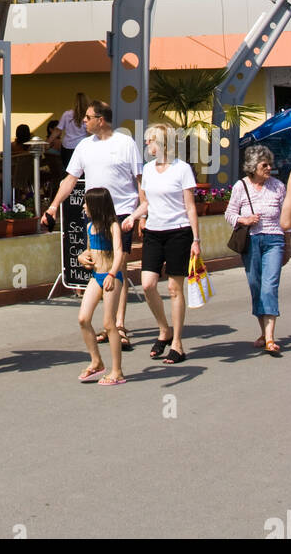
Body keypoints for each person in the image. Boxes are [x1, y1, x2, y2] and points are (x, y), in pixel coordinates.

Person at [41, 101, 141, 349]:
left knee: (119, 266)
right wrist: (53, 206)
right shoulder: (84, 146)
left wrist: (142, 215)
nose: (83, 121)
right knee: (100, 266)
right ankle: (108, 323)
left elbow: (140, 181)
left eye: (87, 117)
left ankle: (118, 324)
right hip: (95, 215)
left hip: (122, 213)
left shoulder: (125, 143)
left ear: (102, 119)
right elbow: (70, 180)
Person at [122, 124, 200, 364]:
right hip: (154, 233)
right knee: (148, 285)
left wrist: (196, 240)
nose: (147, 145)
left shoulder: (182, 169)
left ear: (163, 142)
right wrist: (134, 217)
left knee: (174, 289)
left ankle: (177, 342)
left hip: (179, 233)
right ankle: (163, 329)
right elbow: (145, 202)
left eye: (150, 141)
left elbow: (190, 206)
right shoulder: (147, 169)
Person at [226, 145, 287, 355]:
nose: (269, 167)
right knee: (256, 285)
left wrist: (287, 243)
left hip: (274, 240)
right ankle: (264, 332)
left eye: (270, 163)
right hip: (251, 241)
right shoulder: (240, 187)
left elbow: (285, 219)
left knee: (270, 286)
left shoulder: (278, 186)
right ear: (253, 167)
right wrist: (244, 219)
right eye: (265, 165)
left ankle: (270, 337)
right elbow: (229, 214)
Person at [76, 187, 126, 385]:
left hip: (111, 277)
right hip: (96, 277)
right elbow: (89, 251)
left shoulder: (113, 226)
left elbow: (119, 252)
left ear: (96, 205)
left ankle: (117, 371)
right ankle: (96, 362)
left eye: (86, 203)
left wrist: (112, 274)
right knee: (83, 318)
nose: (84, 206)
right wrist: (82, 256)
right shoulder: (90, 227)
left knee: (108, 324)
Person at [57, 92, 89, 167]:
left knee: (68, 169)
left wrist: (48, 142)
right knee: (81, 171)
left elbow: (58, 130)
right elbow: (90, 132)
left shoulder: (67, 114)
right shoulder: (88, 117)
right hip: (81, 146)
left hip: (67, 146)